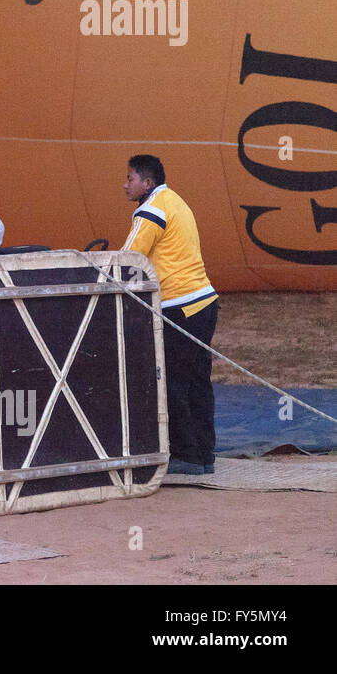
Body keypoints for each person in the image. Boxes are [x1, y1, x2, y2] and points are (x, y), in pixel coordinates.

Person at [121, 155, 219, 475]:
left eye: (130, 178)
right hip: (204, 304)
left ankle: (187, 455)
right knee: (198, 382)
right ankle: (205, 455)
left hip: (180, 309)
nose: (125, 184)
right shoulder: (176, 201)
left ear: (147, 183)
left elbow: (129, 260)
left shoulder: (150, 210)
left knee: (173, 382)